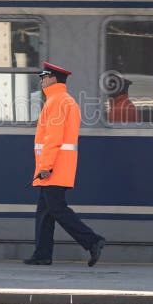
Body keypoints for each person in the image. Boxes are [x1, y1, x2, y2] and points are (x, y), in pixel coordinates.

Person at [23, 62, 106, 267]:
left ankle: (92, 241)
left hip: (54, 167)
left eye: (43, 76)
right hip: (57, 166)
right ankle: (42, 254)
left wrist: (45, 166)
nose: (41, 80)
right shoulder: (65, 101)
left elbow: (54, 138)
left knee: (57, 208)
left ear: (53, 78)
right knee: (45, 211)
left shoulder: (57, 102)